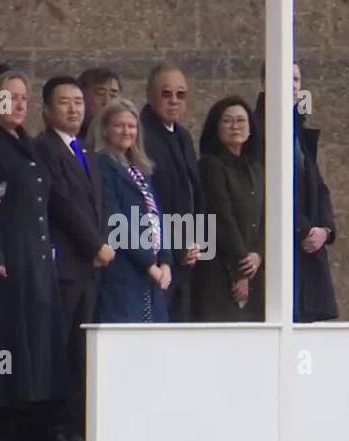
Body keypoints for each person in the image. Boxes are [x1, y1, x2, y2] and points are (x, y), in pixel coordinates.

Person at [0, 70, 72, 441]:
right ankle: (2, 424)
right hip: (6, 259)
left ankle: (37, 422)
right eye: (10, 97)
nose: (18, 104)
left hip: (36, 258)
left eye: (24, 98)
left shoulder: (30, 145)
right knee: (7, 345)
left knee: (37, 344)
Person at [36, 76, 113, 441]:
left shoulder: (84, 150)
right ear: (47, 110)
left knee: (82, 350)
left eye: (79, 103)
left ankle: (75, 424)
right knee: (61, 348)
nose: (74, 109)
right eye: (65, 103)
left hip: (89, 270)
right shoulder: (45, 149)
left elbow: (98, 204)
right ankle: (54, 427)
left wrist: (107, 239)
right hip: (66, 264)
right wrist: (95, 244)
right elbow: (63, 204)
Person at [256, 63, 339, 323]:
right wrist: (303, 229)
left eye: (295, 79)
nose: (291, 85)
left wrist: (326, 229)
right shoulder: (256, 129)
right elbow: (267, 188)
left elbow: (318, 188)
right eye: (284, 78)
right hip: (279, 247)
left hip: (310, 250)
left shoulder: (299, 131)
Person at [91, 99, 174, 323]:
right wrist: (149, 264)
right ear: (106, 129)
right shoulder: (102, 165)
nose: (127, 131)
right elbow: (116, 219)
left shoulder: (140, 169)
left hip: (152, 273)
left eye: (132, 126)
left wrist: (165, 260)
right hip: (125, 270)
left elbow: (155, 215)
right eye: (119, 125)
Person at [140, 63, 203, 321]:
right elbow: (147, 199)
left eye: (181, 94)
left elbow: (195, 192)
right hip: (158, 257)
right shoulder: (140, 135)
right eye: (167, 94)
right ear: (150, 95)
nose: (174, 101)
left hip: (187, 256)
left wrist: (199, 242)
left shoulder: (184, 137)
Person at [194, 97, 264, 321]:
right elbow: (222, 218)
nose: (235, 126)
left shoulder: (256, 169)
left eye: (241, 121)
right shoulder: (210, 166)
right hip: (222, 271)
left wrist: (259, 254)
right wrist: (241, 267)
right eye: (228, 121)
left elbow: (266, 217)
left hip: (256, 270)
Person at [77, 67, 121, 142]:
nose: (107, 102)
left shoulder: (124, 135)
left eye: (113, 95)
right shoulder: (72, 136)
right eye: (100, 94)